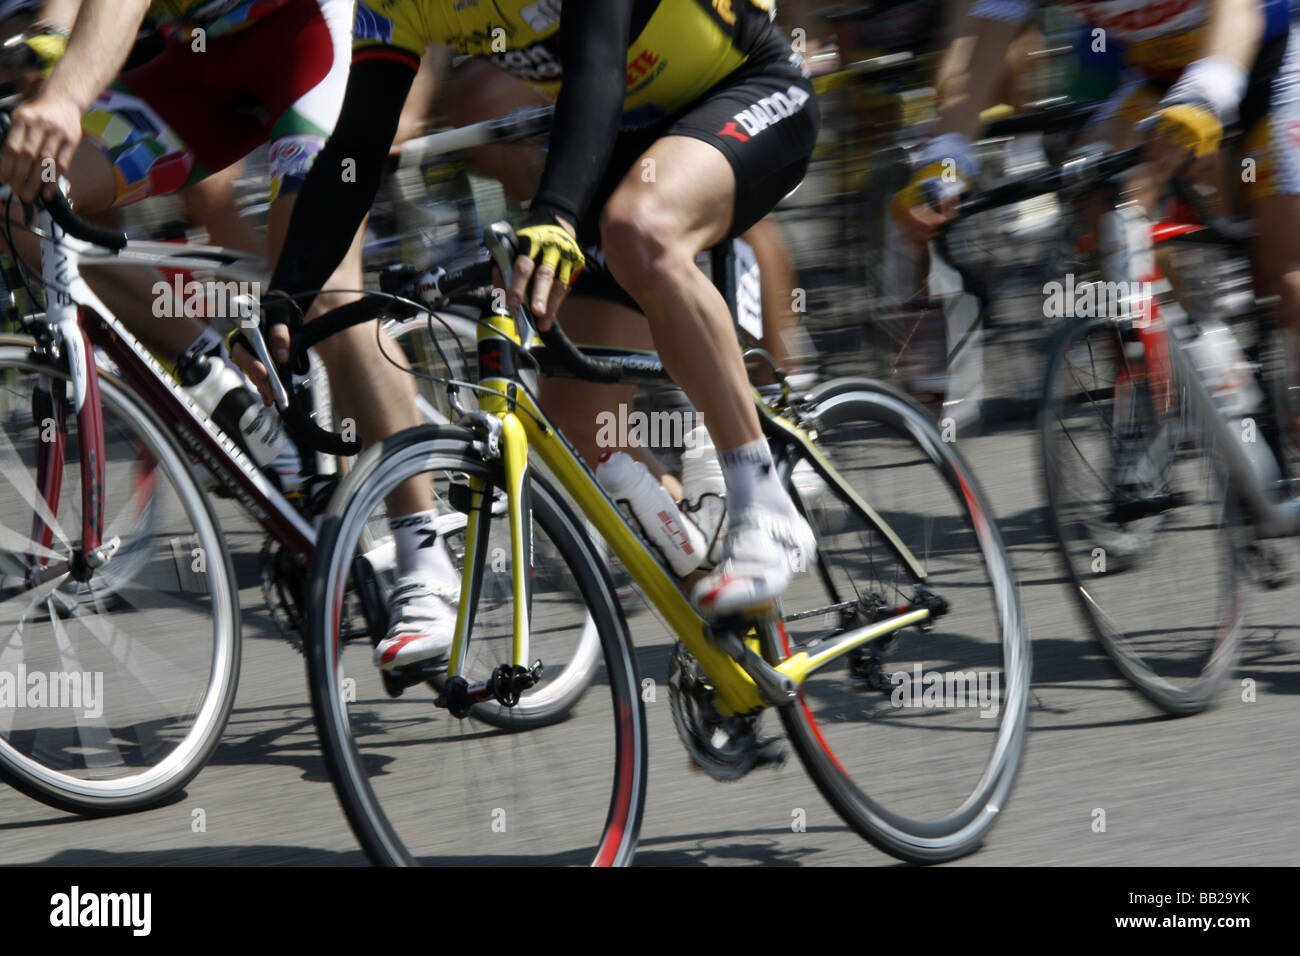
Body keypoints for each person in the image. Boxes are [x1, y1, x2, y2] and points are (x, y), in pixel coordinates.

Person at [268, 0, 822, 669]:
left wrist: (557, 214)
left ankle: (765, 504)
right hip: (627, 136)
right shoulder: (393, 7)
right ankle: (725, 636)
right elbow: (357, 149)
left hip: (744, 87)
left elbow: (596, 65)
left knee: (640, 230)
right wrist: (288, 296)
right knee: (584, 430)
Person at [0, 0, 444, 640]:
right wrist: (48, 38)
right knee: (33, 200)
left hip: (311, 40)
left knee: (321, 291)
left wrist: (65, 97)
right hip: (200, 67)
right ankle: (226, 392)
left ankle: (425, 559)